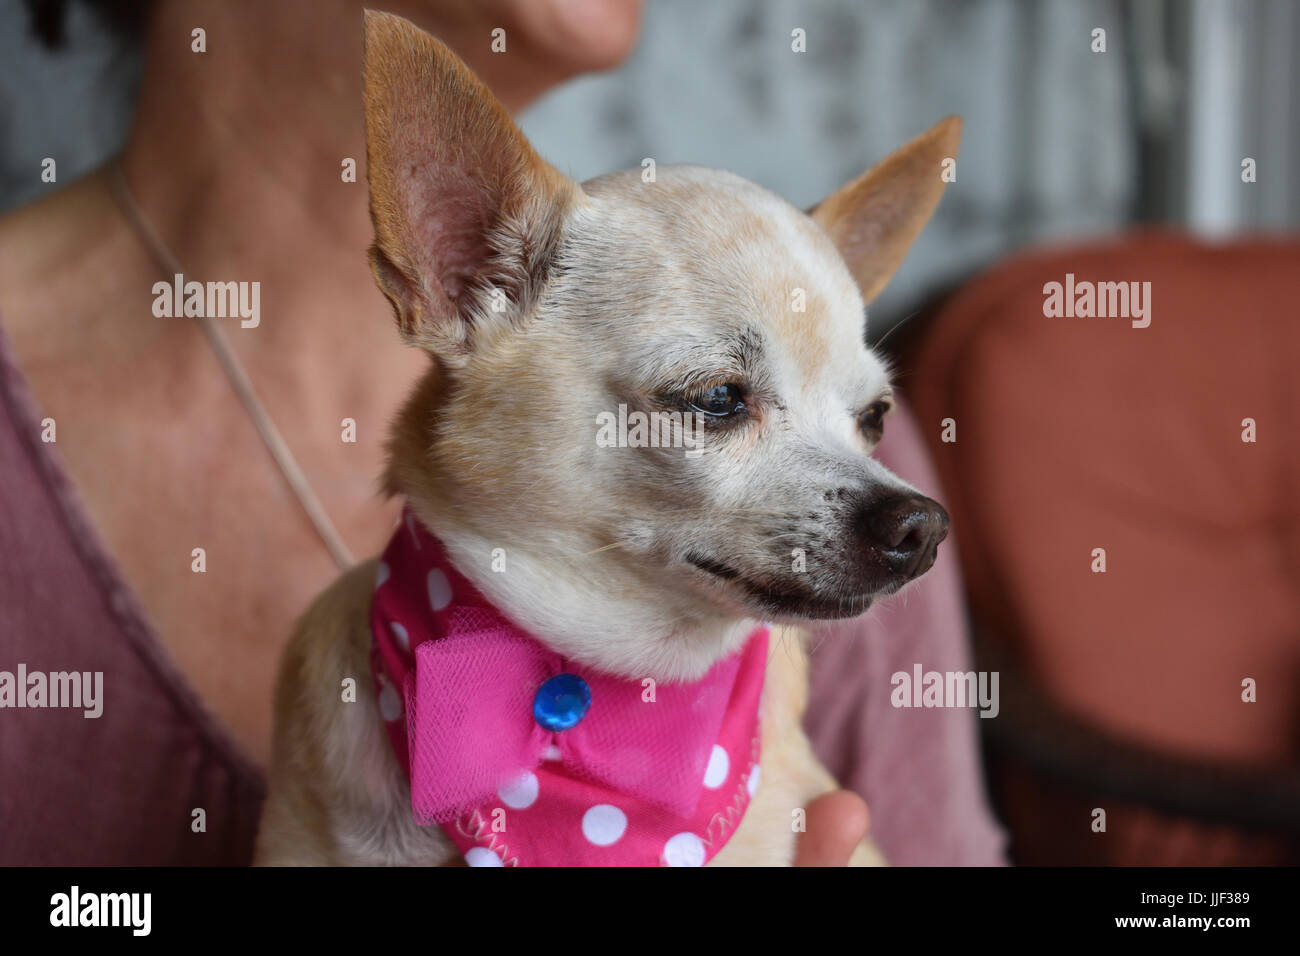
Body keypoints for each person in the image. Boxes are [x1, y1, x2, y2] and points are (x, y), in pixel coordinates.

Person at [0, 0, 1004, 865]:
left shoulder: (856, 487)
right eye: (714, 397)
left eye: (860, 414)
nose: (856, 459)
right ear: (458, 258)